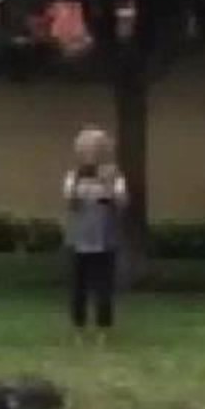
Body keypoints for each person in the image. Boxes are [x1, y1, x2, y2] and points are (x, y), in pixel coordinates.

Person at [63, 126, 128, 342]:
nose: (91, 153)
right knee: (77, 288)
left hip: (105, 240)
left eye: (96, 148)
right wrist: (78, 187)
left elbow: (122, 202)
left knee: (104, 288)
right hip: (79, 240)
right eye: (86, 148)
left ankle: (104, 330)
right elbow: (70, 203)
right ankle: (78, 329)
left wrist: (107, 184)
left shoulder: (115, 174)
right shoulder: (73, 175)